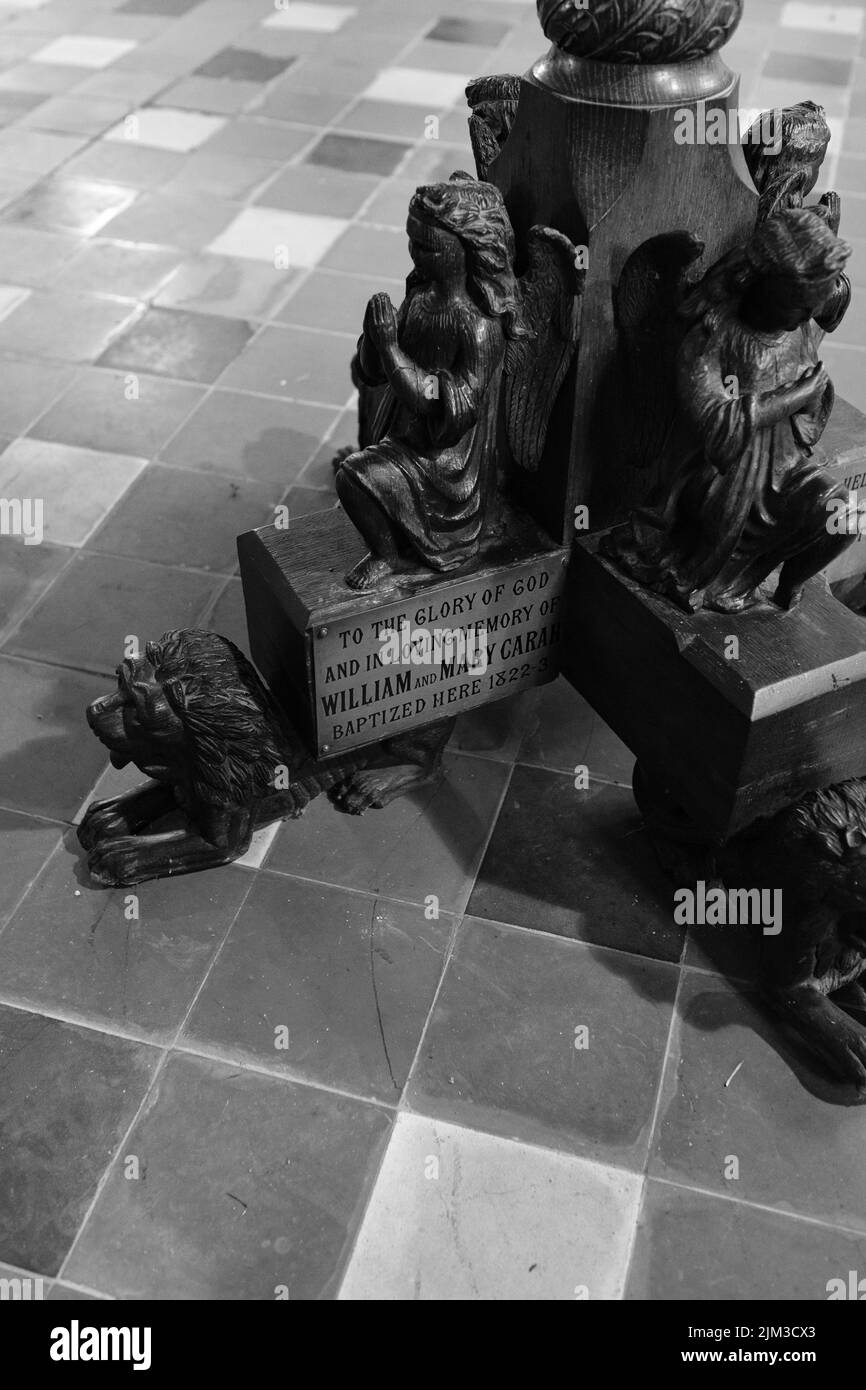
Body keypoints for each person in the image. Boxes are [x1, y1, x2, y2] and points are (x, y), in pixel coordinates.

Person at [605, 207, 858, 613]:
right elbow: (714, 426)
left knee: (844, 517)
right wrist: (794, 396)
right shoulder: (711, 337)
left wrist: (813, 394)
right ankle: (725, 578)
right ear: (769, 288)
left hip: (782, 473)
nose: (809, 318)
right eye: (801, 306)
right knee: (723, 522)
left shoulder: (796, 330)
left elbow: (809, 420)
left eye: (814, 306)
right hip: (716, 484)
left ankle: (778, 580)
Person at [335, 174, 528, 591]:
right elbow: (372, 373)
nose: (415, 255)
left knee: (353, 476)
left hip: (445, 466)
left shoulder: (477, 326)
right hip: (406, 440)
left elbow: (444, 407)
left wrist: (390, 349)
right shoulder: (419, 299)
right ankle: (388, 548)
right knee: (357, 475)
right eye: (412, 242)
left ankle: (393, 552)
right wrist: (374, 338)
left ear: (467, 251)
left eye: (428, 247)